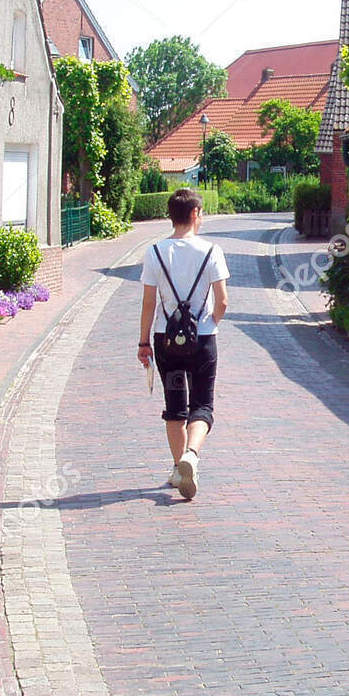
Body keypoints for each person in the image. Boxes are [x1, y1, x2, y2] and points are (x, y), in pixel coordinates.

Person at [138, 189, 230, 500]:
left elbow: (148, 302)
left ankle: (179, 468)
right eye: (201, 213)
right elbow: (223, 300)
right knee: (202, 405)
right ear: (194, 214)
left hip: (166, 341)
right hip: (202, 341)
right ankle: (192, 454)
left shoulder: (155, 251)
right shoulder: (212, 250)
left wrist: (144, 343)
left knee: (175, 406)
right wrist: (210, 324)